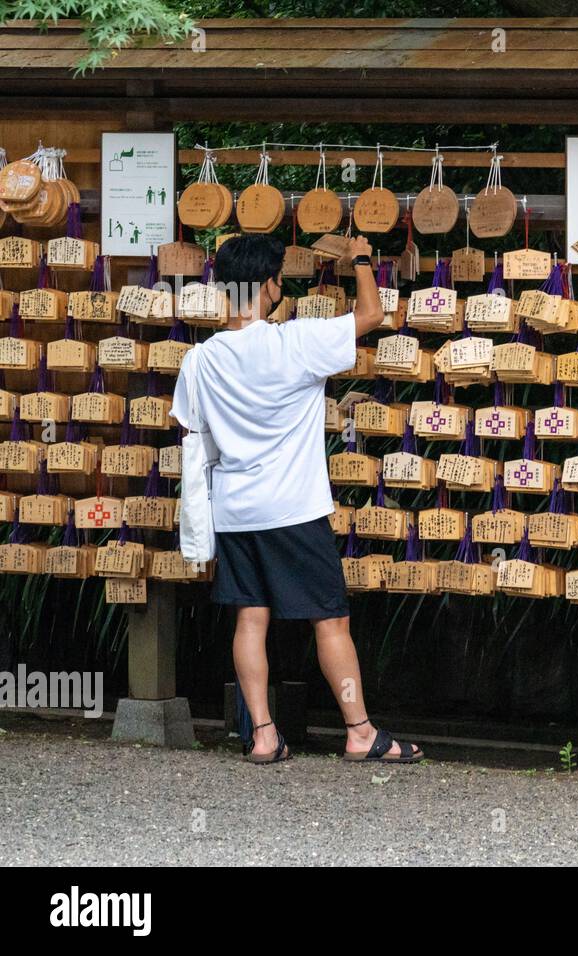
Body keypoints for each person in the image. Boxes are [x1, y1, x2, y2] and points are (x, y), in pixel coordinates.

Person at [171, 234, 424, 765]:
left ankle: (263, 734)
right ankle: (359, 731)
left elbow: (194, 434)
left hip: (236, 510)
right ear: (268, 286)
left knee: (250, 619)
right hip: (294, 508)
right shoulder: (295, 342)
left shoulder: (200, 361)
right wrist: (359, 260)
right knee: (329, 621)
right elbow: (372, 313)